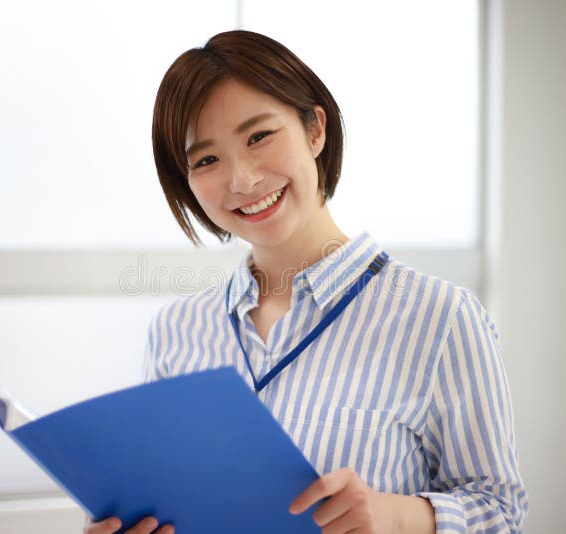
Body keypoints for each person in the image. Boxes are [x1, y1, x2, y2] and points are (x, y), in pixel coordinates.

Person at [85, 30, 528, 534]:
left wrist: (397, 517)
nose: (243, 180)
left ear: (314, 129)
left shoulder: (440, 317)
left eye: (259, 137)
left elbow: (502, 512)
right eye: (207, 160)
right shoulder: (175, 332)